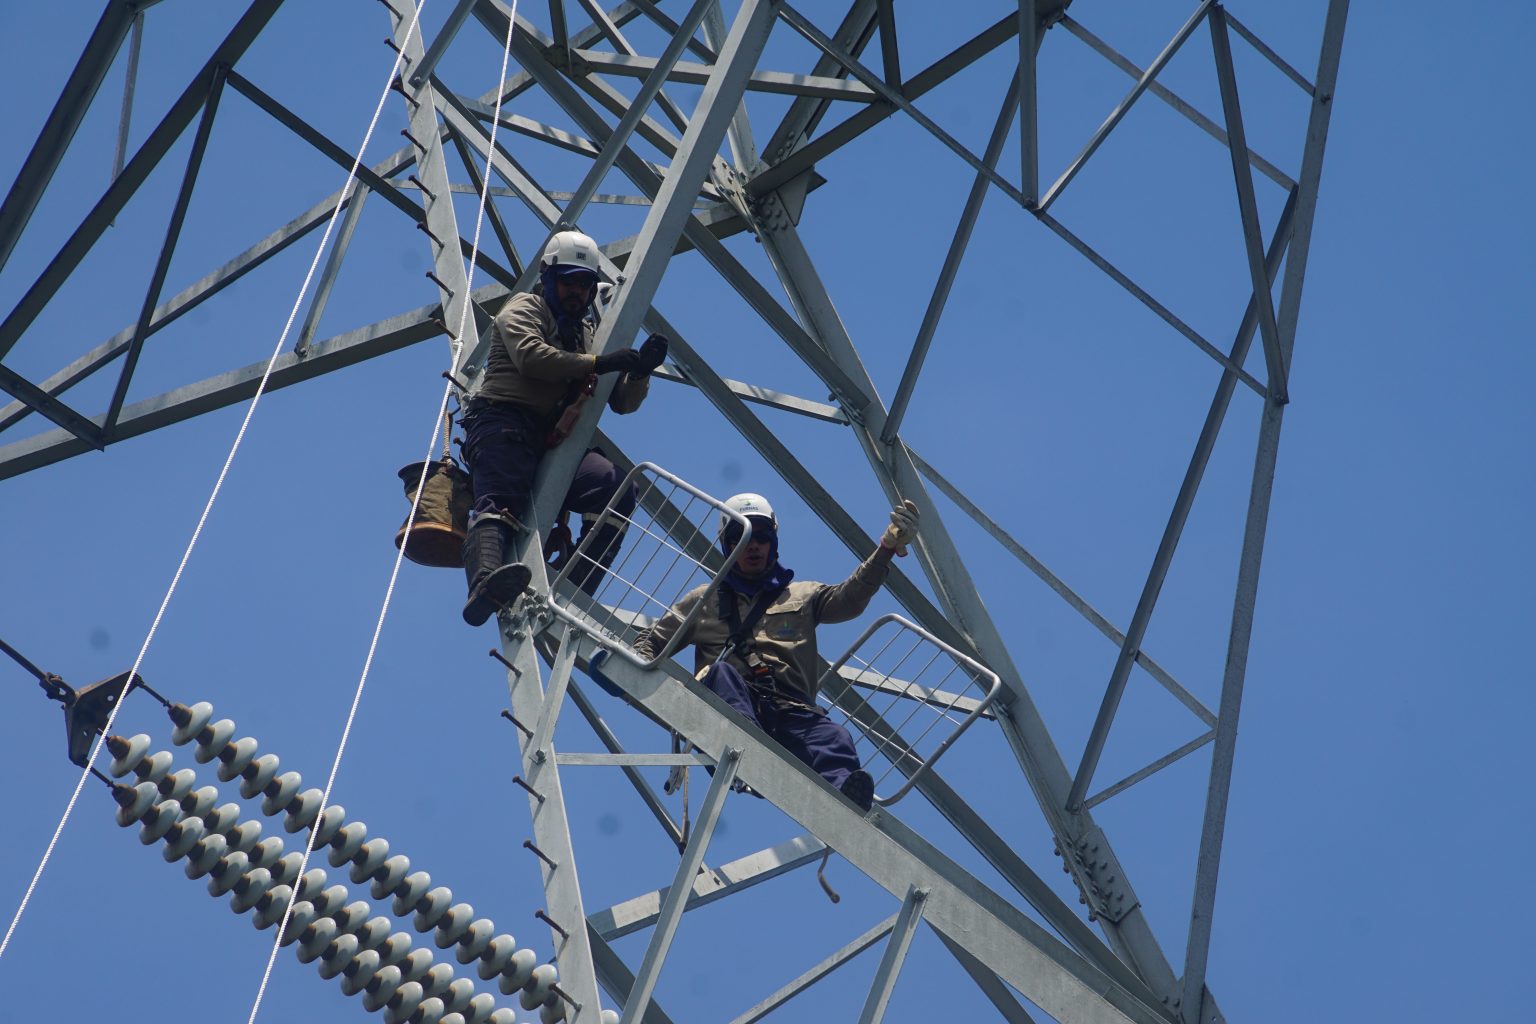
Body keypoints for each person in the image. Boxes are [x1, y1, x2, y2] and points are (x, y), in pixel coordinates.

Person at [632, 492, 921, 812]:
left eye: (761, 537)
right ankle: (745, 749)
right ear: (728, 546)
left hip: (792, 711)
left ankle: (844, 794)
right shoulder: (705, 602)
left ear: (773, 541)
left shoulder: (802, 595)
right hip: (732, 707)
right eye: (741, 537)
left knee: (832, 736)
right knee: (720, 674)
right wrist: (625, 663)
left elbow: (850, 598)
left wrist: (887, 548)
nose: (753, 545)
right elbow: (654, 641)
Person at [458, 229, 668, 627]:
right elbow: (532, 358)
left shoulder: (587, 334)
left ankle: (577, 584)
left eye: (585, 284)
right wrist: (599, 363)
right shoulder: (523, 307)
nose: (577, 291)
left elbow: (621, 402)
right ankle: (485, 583)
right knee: (500, 504)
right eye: (569, 281)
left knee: (613, 486)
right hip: (505, 422)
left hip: (553, 440)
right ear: (549, 279)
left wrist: (640, 372)